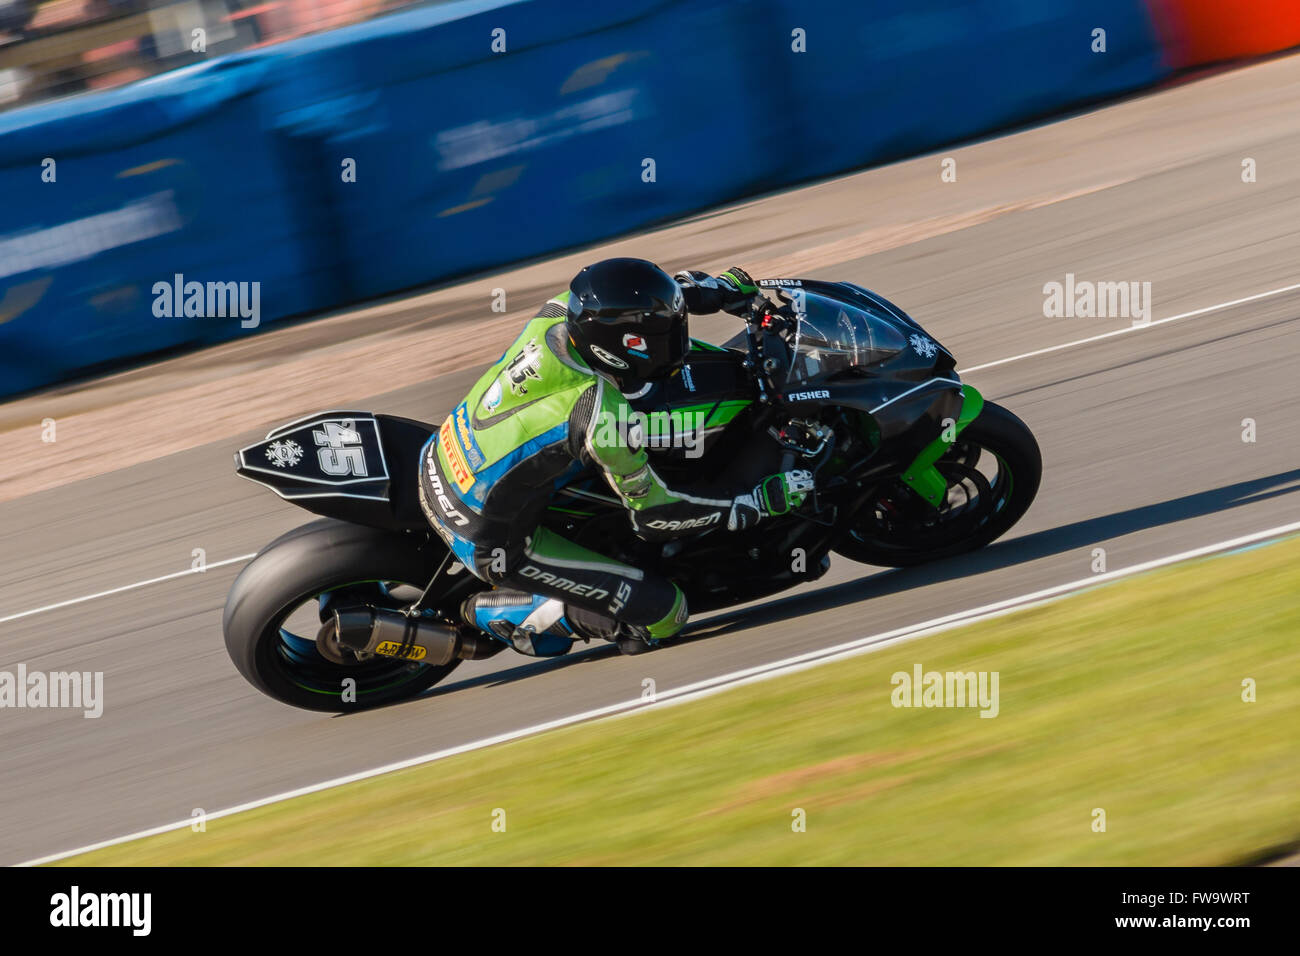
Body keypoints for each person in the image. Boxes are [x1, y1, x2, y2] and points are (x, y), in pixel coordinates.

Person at [419, 257, 813, 656]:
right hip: (482, 532)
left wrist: (714, 290)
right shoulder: (598, 414)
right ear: (620, 352)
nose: (676, 339)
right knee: (666, 614)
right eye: (664, 336)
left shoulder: (562, 314)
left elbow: (635, 305)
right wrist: (752, 502)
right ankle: (501, 609)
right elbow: (656, 516)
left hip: (443, 451)